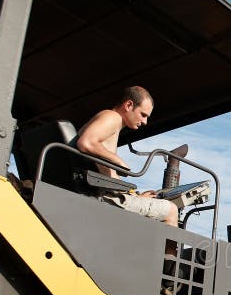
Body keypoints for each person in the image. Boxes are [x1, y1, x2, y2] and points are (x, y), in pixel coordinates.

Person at [76, 86, 178, 227]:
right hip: (104, 196)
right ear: (128, 105)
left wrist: (134, 196)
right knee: (171, 210)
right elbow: (86, 142)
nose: (145, 122)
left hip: (107, 192)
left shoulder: (110, 122)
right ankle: (167, 251)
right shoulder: (112, 117)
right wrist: (116, 159)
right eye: (143, 114)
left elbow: (105, 173)